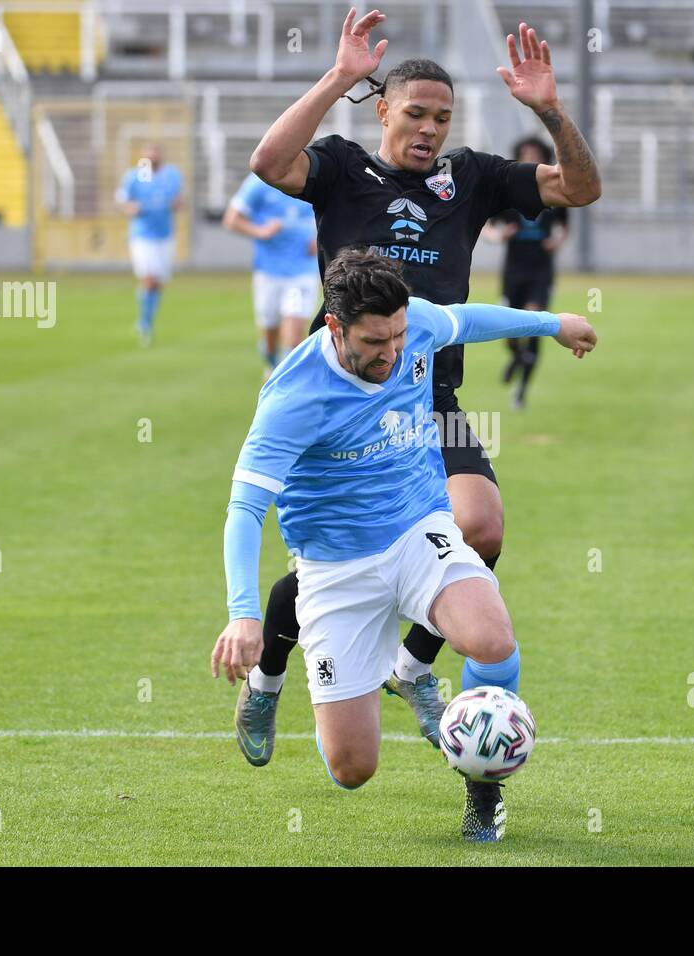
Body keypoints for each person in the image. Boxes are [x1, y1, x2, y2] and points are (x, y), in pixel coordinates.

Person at [237, 7, 601, 768]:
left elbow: (579, 189)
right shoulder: (339, 167)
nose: (430, 128)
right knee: (331, 561)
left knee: (484, 527)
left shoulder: (470, 178)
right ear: (383, 110)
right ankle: (269, 678)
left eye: (443, 116)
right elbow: (269, 163)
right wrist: (337, 75)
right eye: (416, 113)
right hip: (342, 400)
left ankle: (411, 670)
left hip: (429, 398)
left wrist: (550, 111)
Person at [211, 249, 597, 841]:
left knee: (492, 640)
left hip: (419, 530)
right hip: (335, 570)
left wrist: (552, 323)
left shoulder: (411, 324)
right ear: (335, 326)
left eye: (397, 336)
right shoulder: (292, 398)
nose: (391, 352)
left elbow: (465, 320)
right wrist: (240, 615)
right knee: (352, 769)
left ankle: (483, 794)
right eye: (374, 341)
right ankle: (268, 681)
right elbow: (245, 509)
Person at [482, 136, 568, 408]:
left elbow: (564, 226)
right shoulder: (508, 192)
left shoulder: (554, 190)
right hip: (513, 270)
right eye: (524, 153)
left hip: (540, 269)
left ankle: (521, 390)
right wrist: (499, 236)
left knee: (533, 322)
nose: (529, 158)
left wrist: (557, 241)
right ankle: (518, 357)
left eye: (534, 153)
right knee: (509, 328)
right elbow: (486, 226)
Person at [223, 172, 319, 376]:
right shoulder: (259, 183)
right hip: (269, 271)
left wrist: (321, 239)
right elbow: (231, 219)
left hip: (301, 271)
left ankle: (284, 383)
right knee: (270, 333)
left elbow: (331, 215)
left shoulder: (312, 178)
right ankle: (270, 361)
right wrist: (260, 232)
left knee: (294, 335)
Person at [116, 143, 182, 347]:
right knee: (150, 279)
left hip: (164, 234)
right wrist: (130, 208)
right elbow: (123, 200)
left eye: (155, 151)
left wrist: (175, 204)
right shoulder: (135, 176)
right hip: (142, 235)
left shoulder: (171, 175)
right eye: (148, 153)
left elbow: (178, 200)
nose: (152, 156)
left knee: (159, 282)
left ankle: (147, 318)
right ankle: (145, 323)